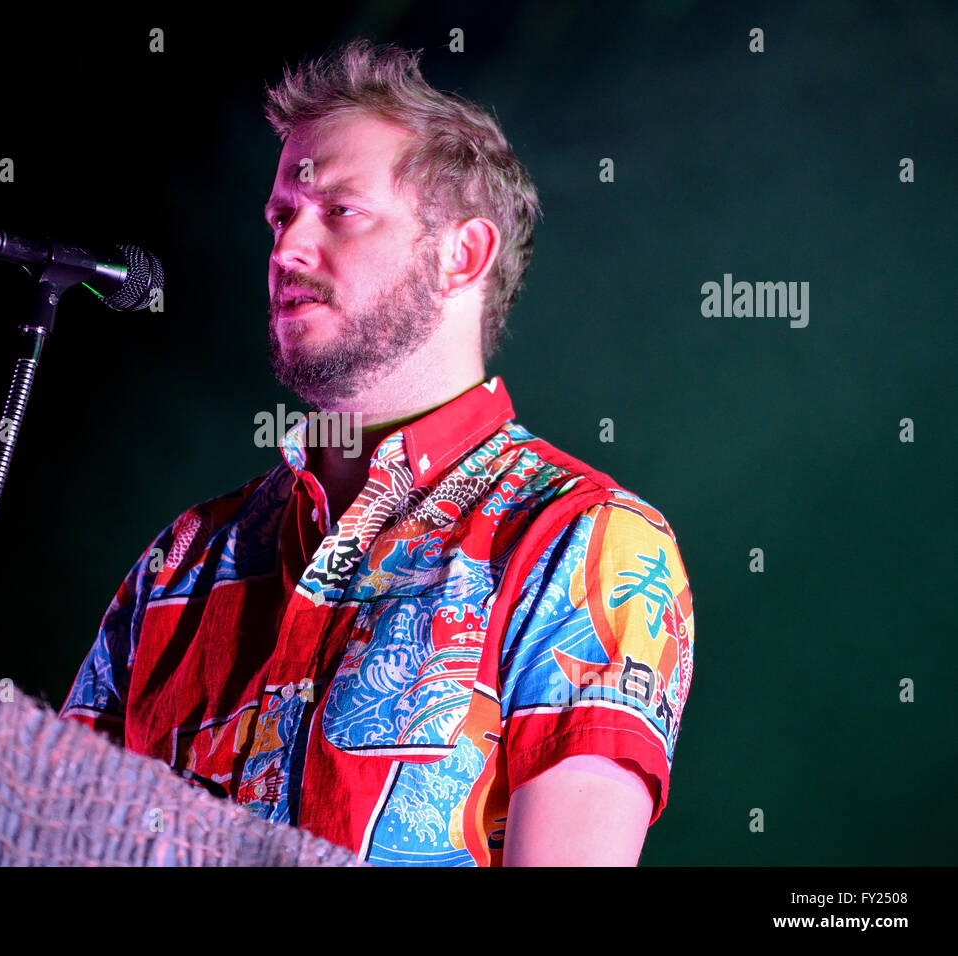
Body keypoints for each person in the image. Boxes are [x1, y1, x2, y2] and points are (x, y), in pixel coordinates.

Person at [61, 38, 695, 866]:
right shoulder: (184, 561)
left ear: (460, 255)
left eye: (340, 211)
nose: (286, 249)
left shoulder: (582, 542)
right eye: (282, 216)